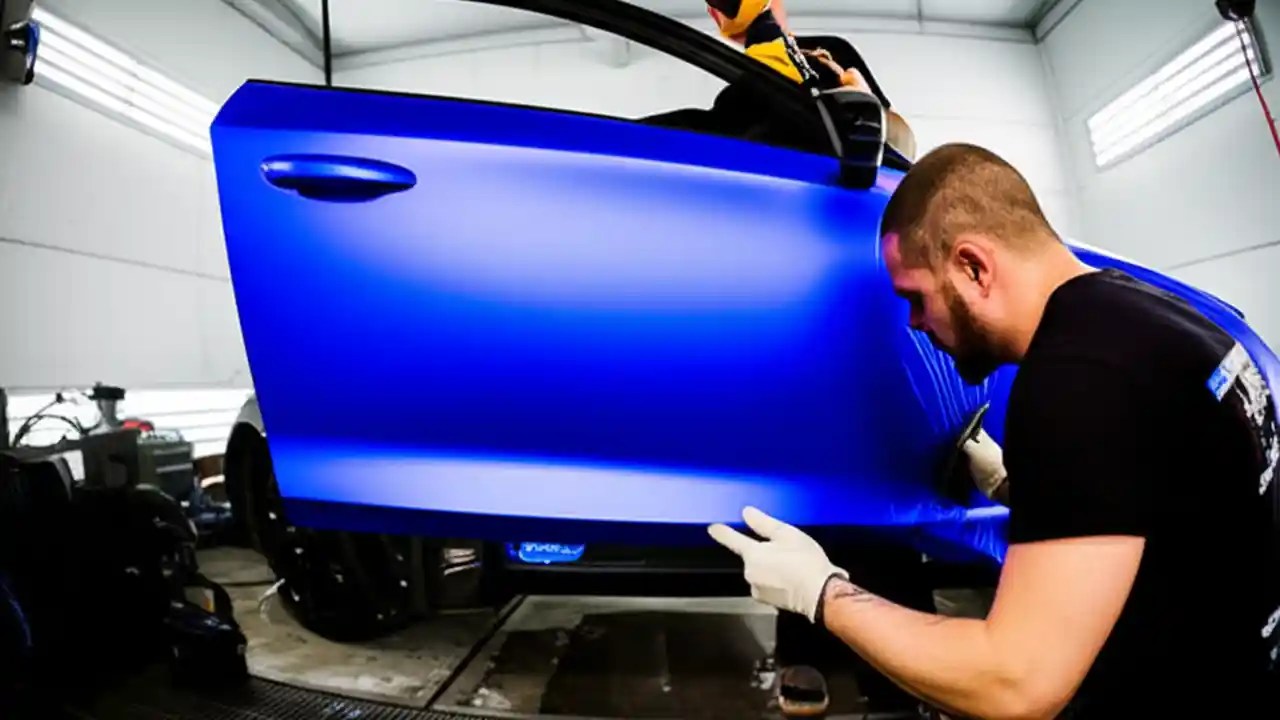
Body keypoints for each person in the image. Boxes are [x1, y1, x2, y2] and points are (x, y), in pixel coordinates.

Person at [709, 142, 1280, 717]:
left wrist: (822, 593)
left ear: (973, 266)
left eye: (915, 296)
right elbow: (1173, 516)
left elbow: (1014, 683)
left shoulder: (1075, 377)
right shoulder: (1156, 317)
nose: (913, 322)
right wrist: (1017, 486)